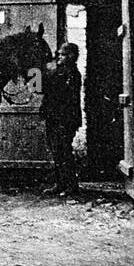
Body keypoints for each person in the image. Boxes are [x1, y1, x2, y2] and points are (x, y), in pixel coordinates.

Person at [41, 42, 82, 195]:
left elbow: (61, 94)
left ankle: (71, 186)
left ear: (71, 56)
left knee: (64, 151)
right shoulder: (59, 71)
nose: (58, 57)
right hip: (55, 117)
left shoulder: (71, 73)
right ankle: (60, 184)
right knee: (56, 151)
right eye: (58, 54)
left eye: (62, 55)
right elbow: (38, 88)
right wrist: (35, 72)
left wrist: (39, 73)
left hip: (65, 119)